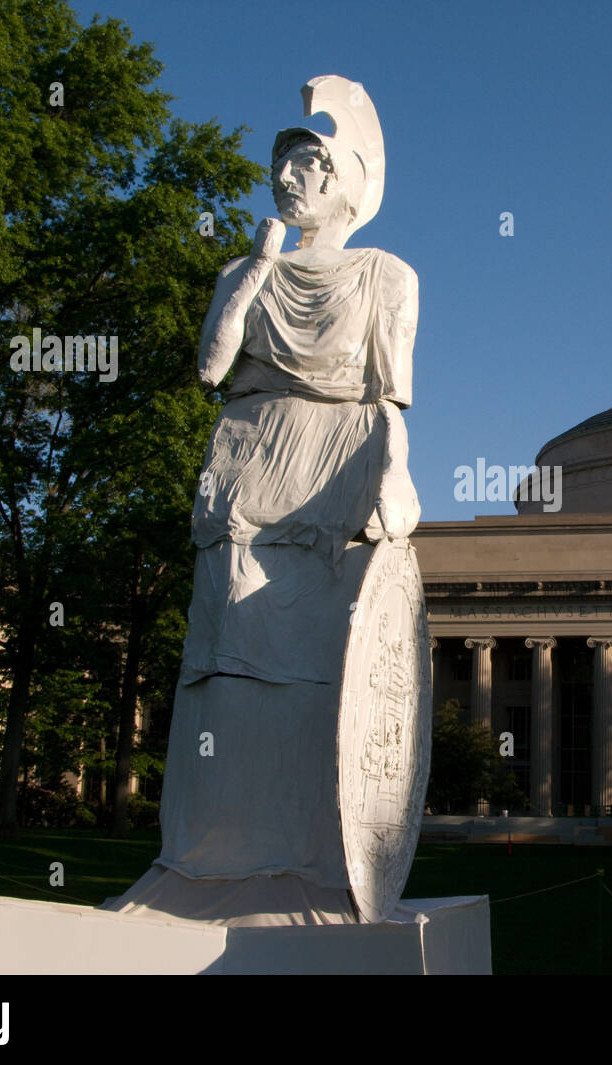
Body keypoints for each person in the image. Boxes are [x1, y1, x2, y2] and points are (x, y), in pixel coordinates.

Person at [106, 77, 419, 926]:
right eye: (284, 162)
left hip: (337, 465)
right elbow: (211, 367)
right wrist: (254, 270)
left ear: (347, 180)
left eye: (311, 164)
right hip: (245, 461)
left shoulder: (387, 276)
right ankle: (204, 862)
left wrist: (396, 475)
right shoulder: (244, 268)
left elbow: (390, 395)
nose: (290, 177)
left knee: (324, 676)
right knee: (227, 663)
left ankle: (316, 864)